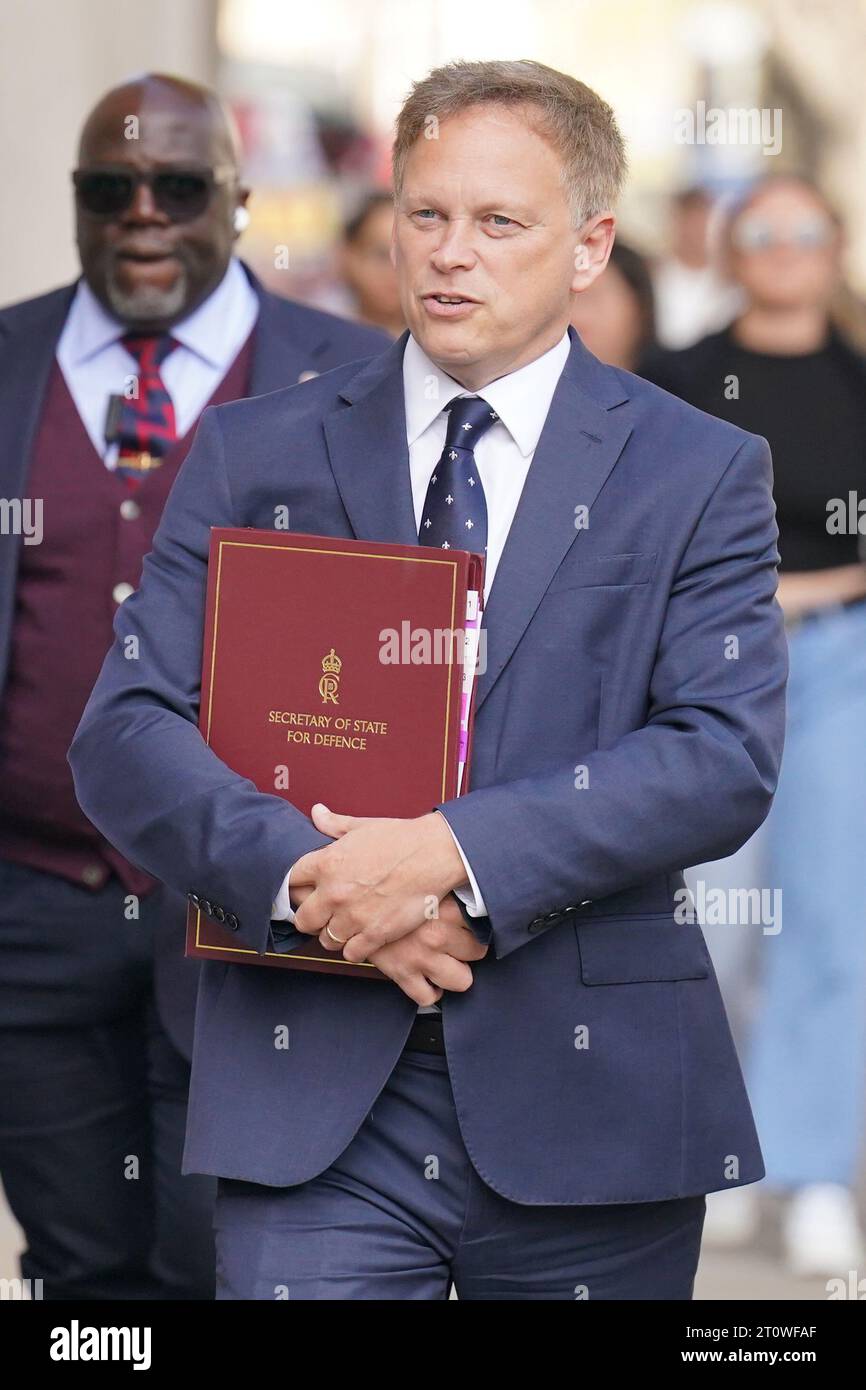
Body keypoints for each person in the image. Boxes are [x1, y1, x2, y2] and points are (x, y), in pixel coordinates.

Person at [70, 59, 787, 1301]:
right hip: (311, 1094)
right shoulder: (255, 449)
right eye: (425, 215)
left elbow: (718, 753)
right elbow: (124, 731)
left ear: (588, 245)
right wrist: (309, 879)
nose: (450, 253)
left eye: (498, 222)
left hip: (590, 1103)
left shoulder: (697, 469)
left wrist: (450, 858)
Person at [0, 72, 387, 1302]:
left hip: (244, 909)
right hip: (29, 901)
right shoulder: (5, 361)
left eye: (178, 185)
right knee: (77, 1271)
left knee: (222, 1260)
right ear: (78, 203)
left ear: (236, 197)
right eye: (111, 190)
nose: (144, 216)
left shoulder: (355, 377)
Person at [645, 173, 866, 1276]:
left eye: (804, 231)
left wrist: (819, 591)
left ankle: (811, 1165)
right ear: (731, 247)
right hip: (709, 664)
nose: (783, 249)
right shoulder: (681, 378)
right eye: (762, 230)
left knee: (829, 919)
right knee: (711, 915)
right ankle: (720, 1154)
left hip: (842, 662)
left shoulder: (856, 377)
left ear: (833, 248)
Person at [652, 185, 742, 349]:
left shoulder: (732, 282)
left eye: (702, 222)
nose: (696, 231)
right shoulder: (652, 275)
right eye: (689, 221)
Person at [569, 239, 656, 370]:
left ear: (639, 308)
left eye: (590, 298)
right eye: (567, 298)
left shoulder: (674, 383)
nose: (575, 316)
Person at [337, 191, 405, 336]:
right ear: (348, 256)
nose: (395, 269)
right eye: (382, 255)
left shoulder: (439, 349)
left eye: (405, 257)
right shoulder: (319, 336)